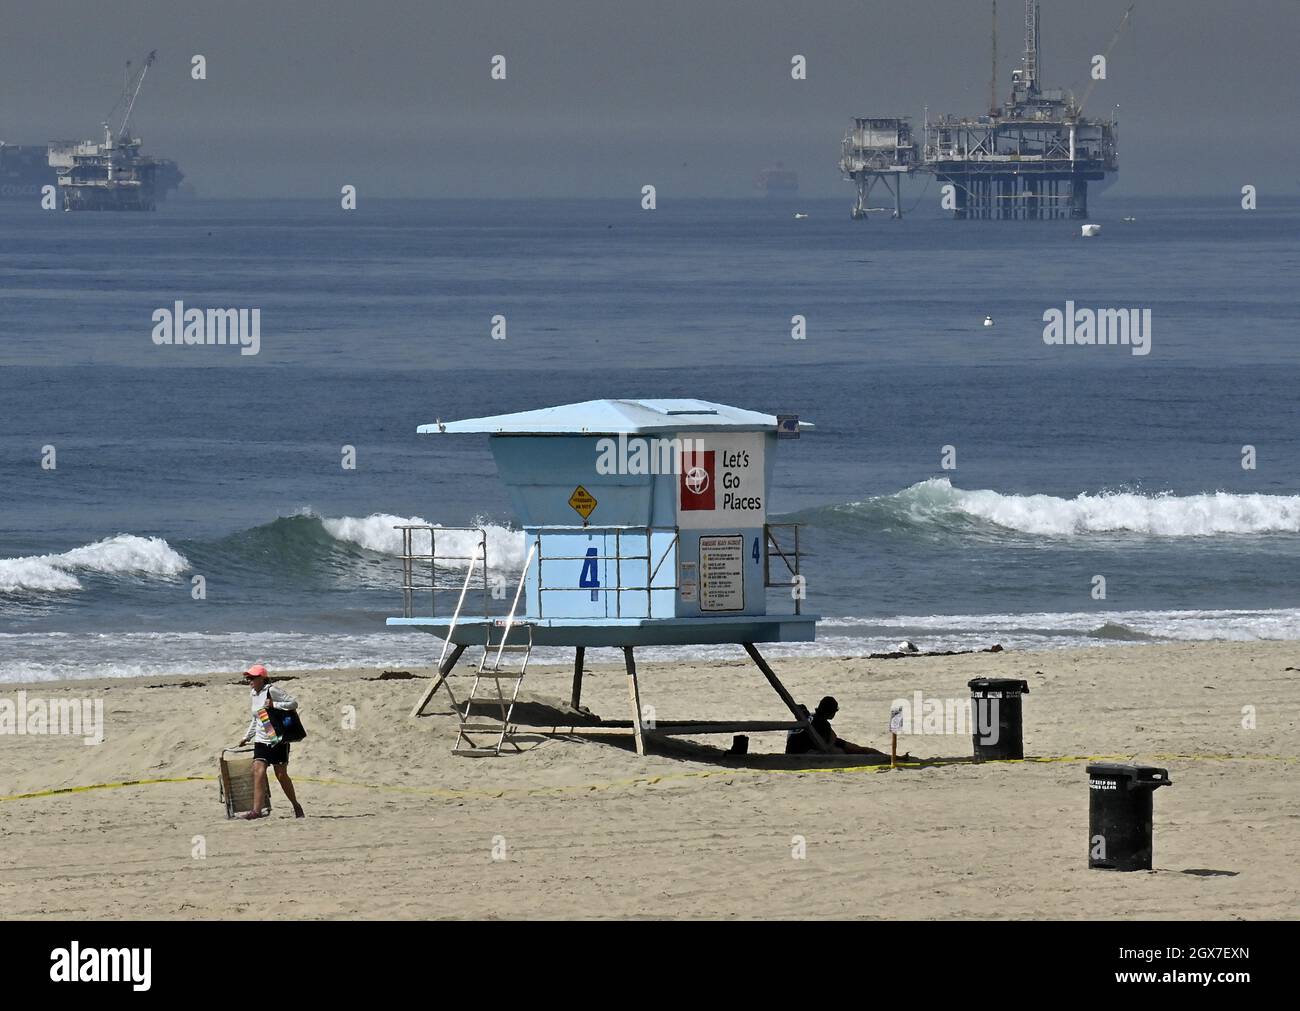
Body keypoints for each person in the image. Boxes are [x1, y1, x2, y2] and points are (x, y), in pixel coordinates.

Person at [234, 664, 304, 819]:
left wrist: (274, 704)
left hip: (276, 738)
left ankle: (296, 805)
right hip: (261, 738)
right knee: (258, 771)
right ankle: (256, 811)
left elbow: (293, 703)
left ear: (262, 678)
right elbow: (256, 718)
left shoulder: (271, 690)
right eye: (248, 678)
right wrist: (247, 737)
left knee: (281, 775)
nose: (249, 680)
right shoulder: (253, 693)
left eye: (252, 677)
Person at [785, 695, 885, 756]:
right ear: (831, 712)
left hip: (801, 748)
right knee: (853, 750)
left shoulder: (809, 719)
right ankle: (888, 757)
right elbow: (826, 747)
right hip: (809, 749)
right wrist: (833, 740)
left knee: (856, 749)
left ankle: (889, 757)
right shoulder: (820, 723)